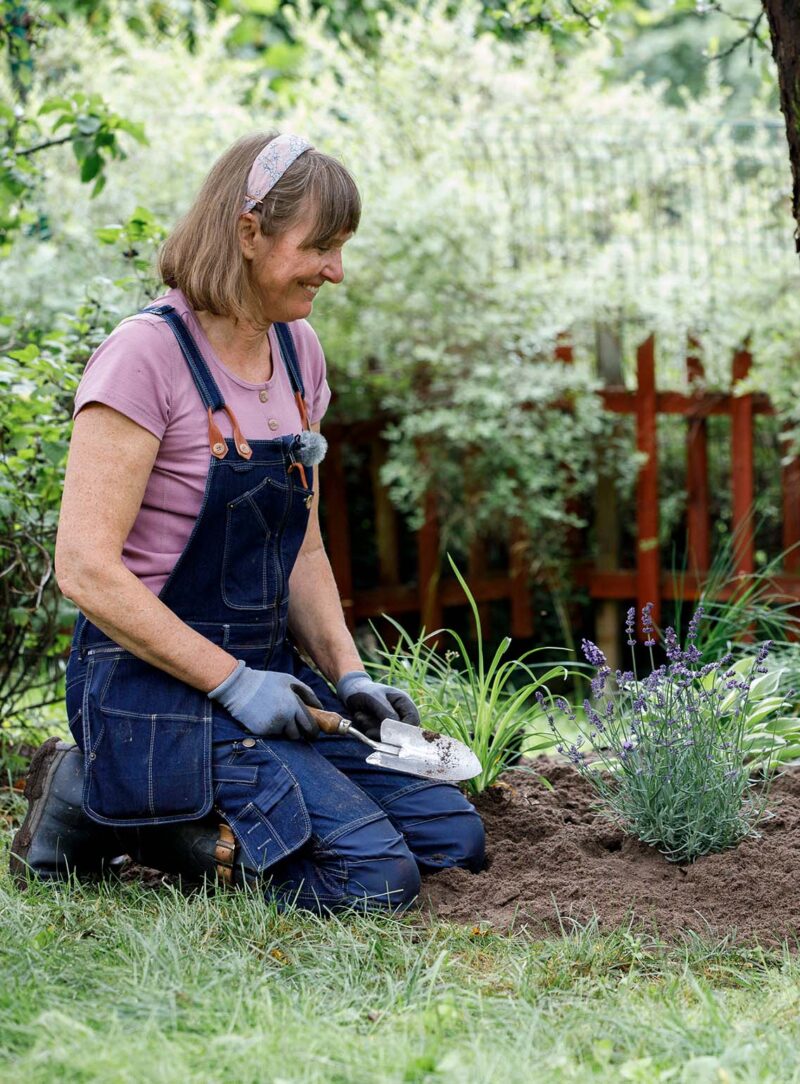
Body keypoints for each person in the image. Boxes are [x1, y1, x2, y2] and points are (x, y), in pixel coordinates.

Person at [8, 132, 486, 910]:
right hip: (149, 684)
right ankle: (94, 797)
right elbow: (85, 568)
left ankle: (158, 799)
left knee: (452, 842)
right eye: (321, 247)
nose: (336, 270)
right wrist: (230, 683)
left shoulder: (300, 355)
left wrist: (349, 673)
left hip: (267, 679)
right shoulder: (145, 357)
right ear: (248, 231)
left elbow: (299, 544)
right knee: (372, 881)